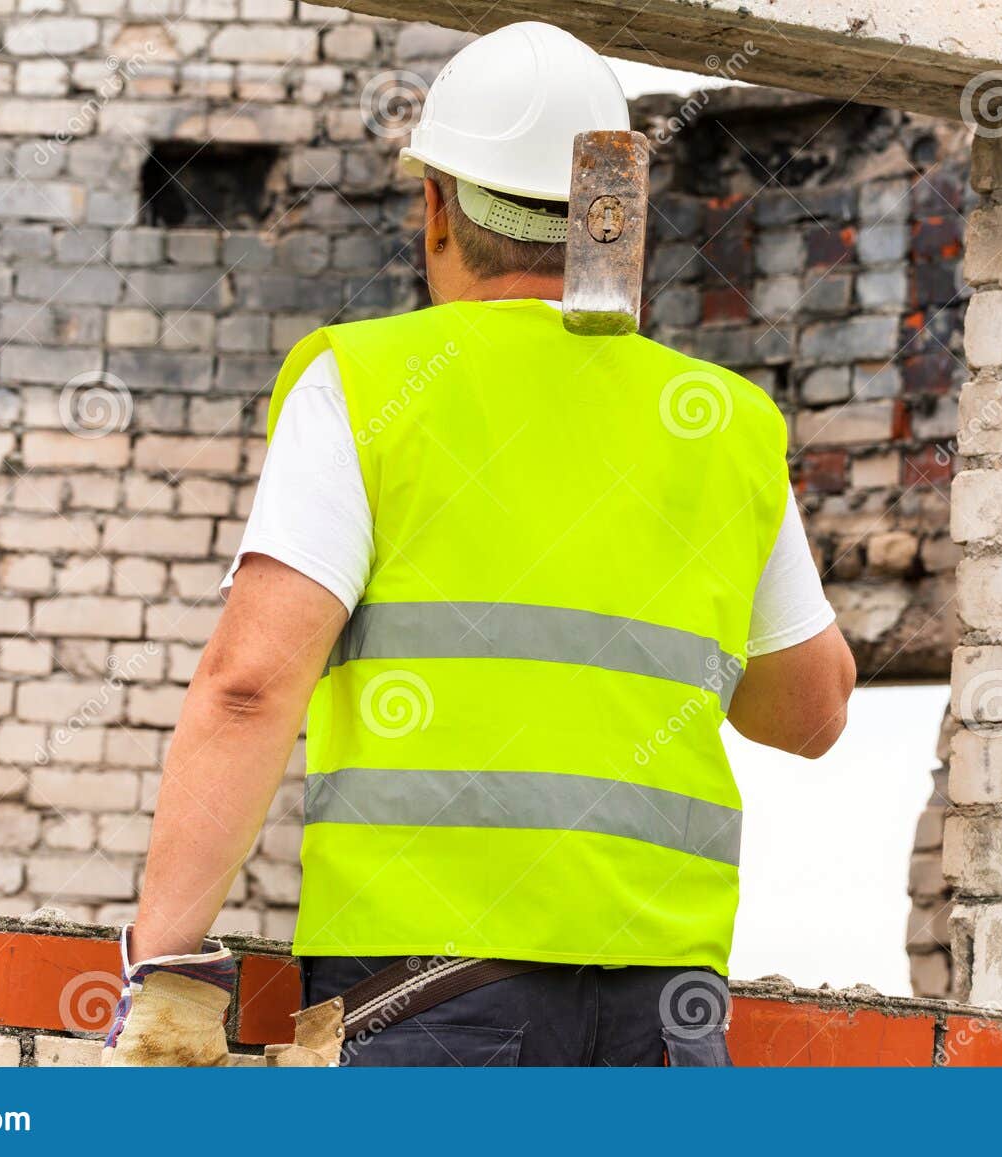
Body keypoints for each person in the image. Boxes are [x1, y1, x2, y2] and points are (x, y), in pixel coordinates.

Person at [107, 20, 856, 1068]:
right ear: (612, 214)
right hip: (667, 1011)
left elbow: (248, 685)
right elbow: (813, 711)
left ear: (435, 209)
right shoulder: (724, 420)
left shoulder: (362, 382)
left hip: (429, 997)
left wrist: (165, 967)